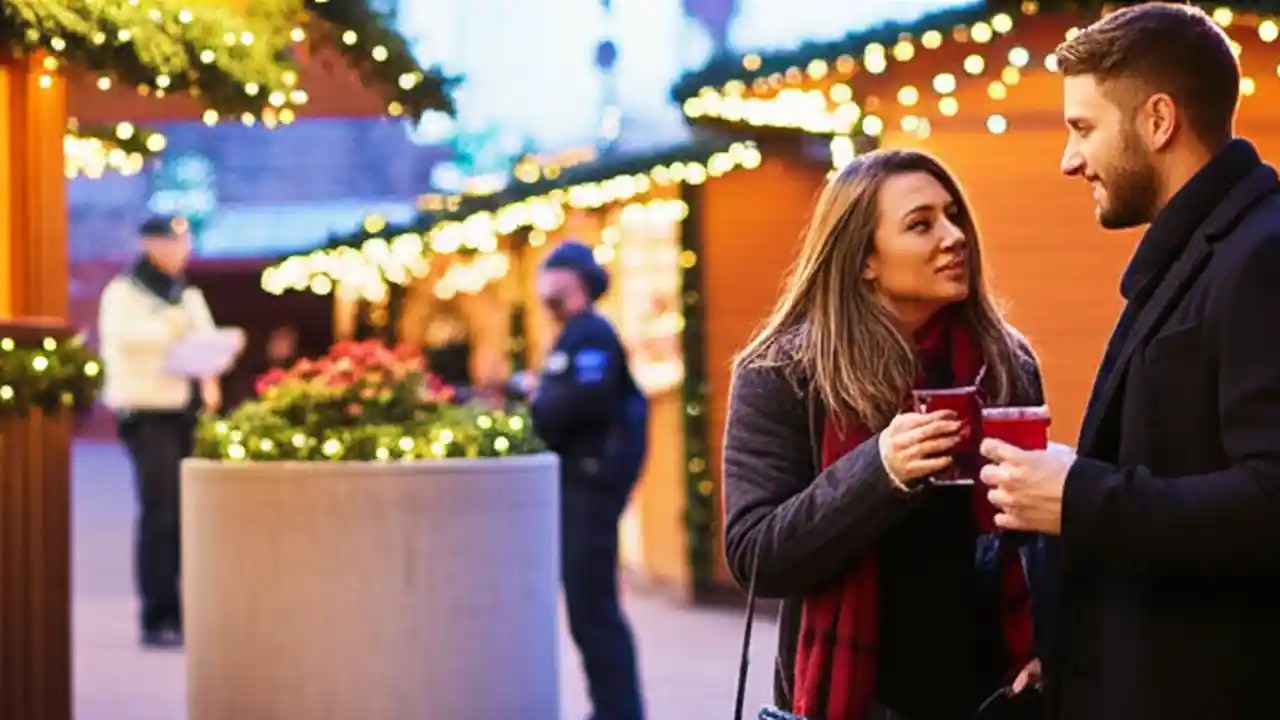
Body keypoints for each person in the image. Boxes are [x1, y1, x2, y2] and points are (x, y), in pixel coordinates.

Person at [979, 4, 1280, 718]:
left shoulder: (1262, 253)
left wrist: (1078, 495)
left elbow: (1271, 499)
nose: (1068, 158)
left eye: (1083, 128)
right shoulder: (1205, 249)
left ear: (1157, 120)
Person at [722, 149, 1054, 720]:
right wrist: (879, 471)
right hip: (858, 699)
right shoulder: (786, 373)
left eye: (953, 216)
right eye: (920, 224)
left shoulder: (1005, 361)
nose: (954, 237)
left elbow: (1036, 532)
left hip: (997, 698)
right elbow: (757, 554)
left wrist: (1053, 641)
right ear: (864, 260)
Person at [98, 215, 239, 648]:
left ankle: (185, 609)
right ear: (149, 244)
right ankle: (157, 612)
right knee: (160, 514)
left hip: (186, 410)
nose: (180, 248)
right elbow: (124, 338)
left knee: (189, 515)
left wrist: (213, 362)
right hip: (147, 409)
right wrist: (171, 331)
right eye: (170, 241)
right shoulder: (126, 291)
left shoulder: (187, 292)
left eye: (183, 240)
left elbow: (206, 338)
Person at [526, 241, 648, 720]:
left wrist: (539, 403)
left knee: (592, 609)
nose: (544, 285)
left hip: (591, 487)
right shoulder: (574, 335)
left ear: (576, 282)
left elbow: (576, 405)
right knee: (587, 607)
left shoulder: (592, 334)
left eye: (553, 275)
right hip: (579, 486)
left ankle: (618, 712)